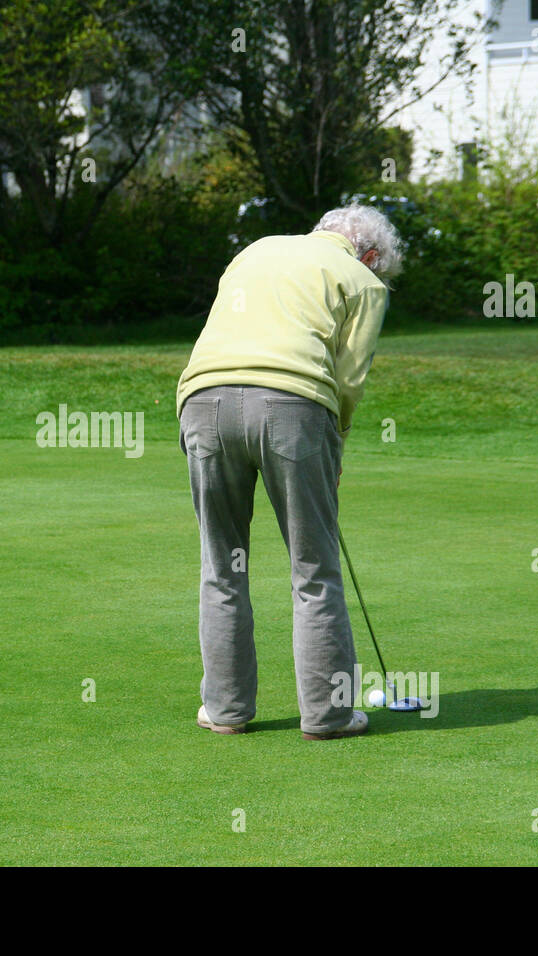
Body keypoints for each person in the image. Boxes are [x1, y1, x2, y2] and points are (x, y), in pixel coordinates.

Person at [175, 203, 401, 741]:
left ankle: (226, 711)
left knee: (221, 565)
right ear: (369, 255)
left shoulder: (253, 250)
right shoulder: (363, 281)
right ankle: (328, 715)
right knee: (314, 570)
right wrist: (335, 449)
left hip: (202, 403)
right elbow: (348, 381)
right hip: (293, 407)